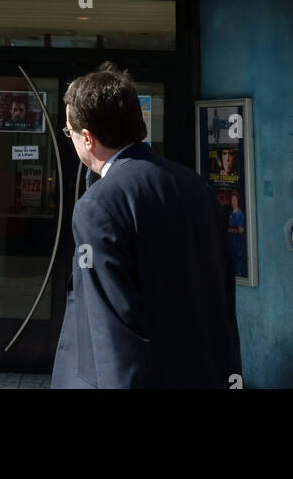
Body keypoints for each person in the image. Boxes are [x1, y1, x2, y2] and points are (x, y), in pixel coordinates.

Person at [52, 62, 242, 390]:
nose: (70, 139)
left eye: (68, 132)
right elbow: (222, 294)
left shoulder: (99, 204)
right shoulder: (195, 185)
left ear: (87, 138)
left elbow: (112, 329)